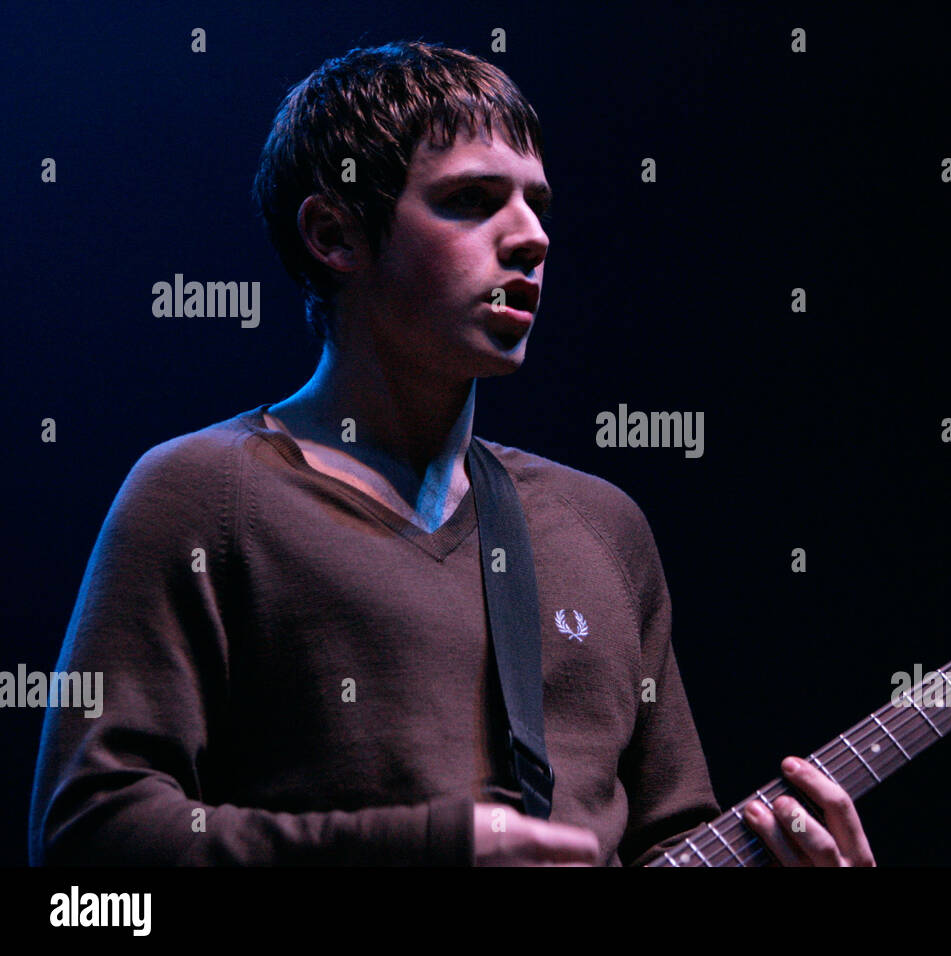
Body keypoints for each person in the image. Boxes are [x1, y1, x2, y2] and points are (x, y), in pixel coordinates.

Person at [29, 40, 874, 867]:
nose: (532, 237)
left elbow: (673, 837)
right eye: (472, 199)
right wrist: (431, 848)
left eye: (539, 204)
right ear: (335, 234)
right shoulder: (204, 495)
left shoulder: (603, 528)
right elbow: (88, 841)